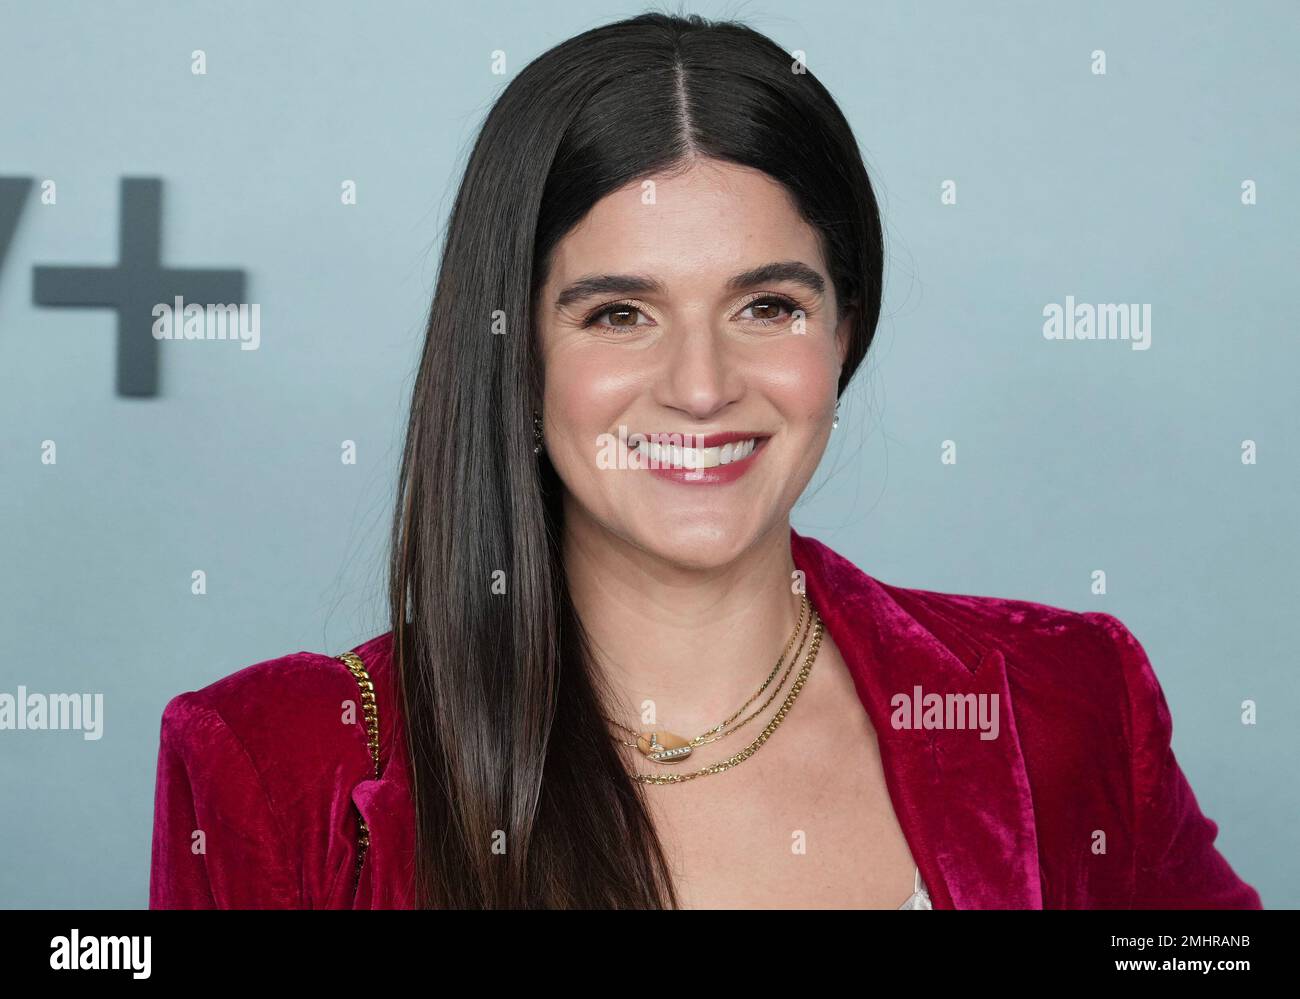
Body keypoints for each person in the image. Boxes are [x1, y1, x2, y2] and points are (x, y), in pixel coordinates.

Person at [148, 11, 1261, 910]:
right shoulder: (276, 760)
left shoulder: (1063, 701)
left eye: (767, 304)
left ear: (841, 332)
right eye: (619, 313)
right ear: (513, 352)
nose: (699, 383)